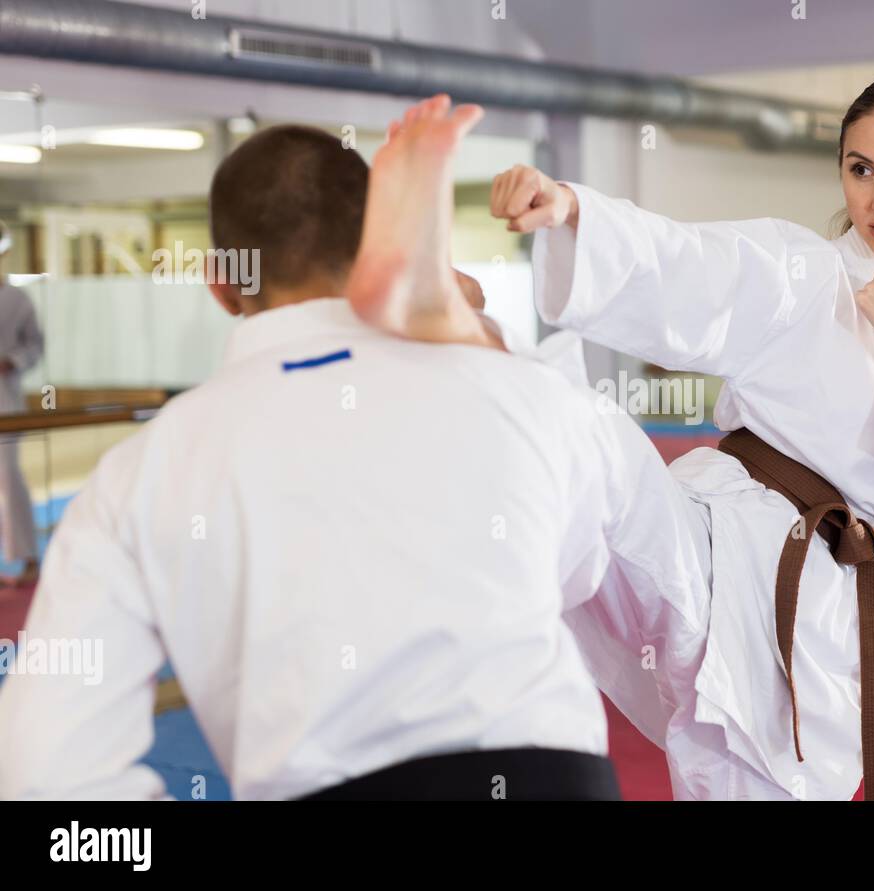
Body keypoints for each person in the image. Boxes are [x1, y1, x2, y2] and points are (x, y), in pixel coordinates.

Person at [350, 73, 874, 800]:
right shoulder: (804, 270)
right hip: (716, 530)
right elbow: (689, 262)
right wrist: (573, 213)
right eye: (860, 169)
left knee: (759, 778)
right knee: (595, 445)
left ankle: (472, 345)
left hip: (807, 598)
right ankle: (461, 328)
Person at [0, 108, 667, 800]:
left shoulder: (146, 469)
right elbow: (586, 568)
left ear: (220, 284)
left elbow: (47, 778)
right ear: (381, 251)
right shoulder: (523, 393)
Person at [0, 220, 43, 587]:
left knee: (9, 478)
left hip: (5, 399)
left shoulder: (17, 299)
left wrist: (11, 359)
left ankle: (28, 557)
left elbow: (35, 346)